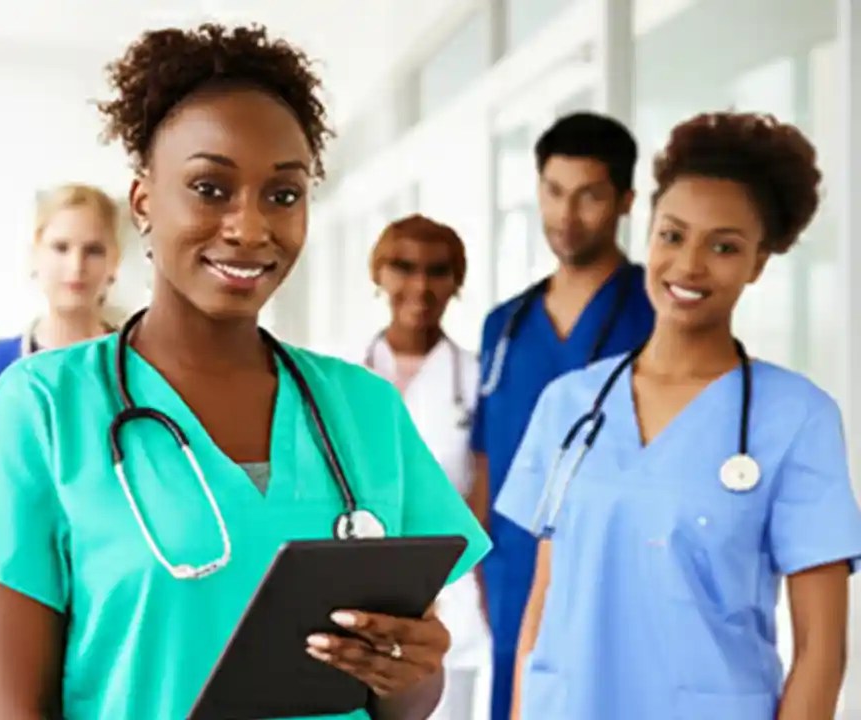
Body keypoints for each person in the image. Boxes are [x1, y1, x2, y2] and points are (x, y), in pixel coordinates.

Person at [0, 23, 491, 720]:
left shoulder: (365, 411)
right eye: (211, 188)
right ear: (145, 202)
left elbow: (405, 705)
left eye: (282, 195)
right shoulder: (43, 409)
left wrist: (412, 672)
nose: (249, 228)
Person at [499, 111, 861, 719]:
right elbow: (542, 605)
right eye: (672, 235)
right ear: (648, 235)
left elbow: (822, 647)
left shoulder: (797, 419)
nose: (689, 265)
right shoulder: (569, 403)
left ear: (759, 263)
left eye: (724, 246)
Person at [470, 111, 654, 720]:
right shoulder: (505, 326)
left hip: (621, 571)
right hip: (514, 570)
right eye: (553, 191)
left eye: (589, 196)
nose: (566, 216)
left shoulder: (655, 318)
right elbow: (486, 454)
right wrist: (479, 560)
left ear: (626, 200)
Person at [362, 214, 491, 720]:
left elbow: (484, 483)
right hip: (362, 577)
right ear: (379, 274)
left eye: (438, 270)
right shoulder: (345, 371)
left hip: (453, 583)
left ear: (457, 281)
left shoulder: (477, 378)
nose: (420, 285)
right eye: (404, 267)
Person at [0, 182, 122, 449]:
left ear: (114, 261)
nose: (76, 265)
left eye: (93, 250)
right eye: (61, 248)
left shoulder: (135, 367)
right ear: (35, 256)